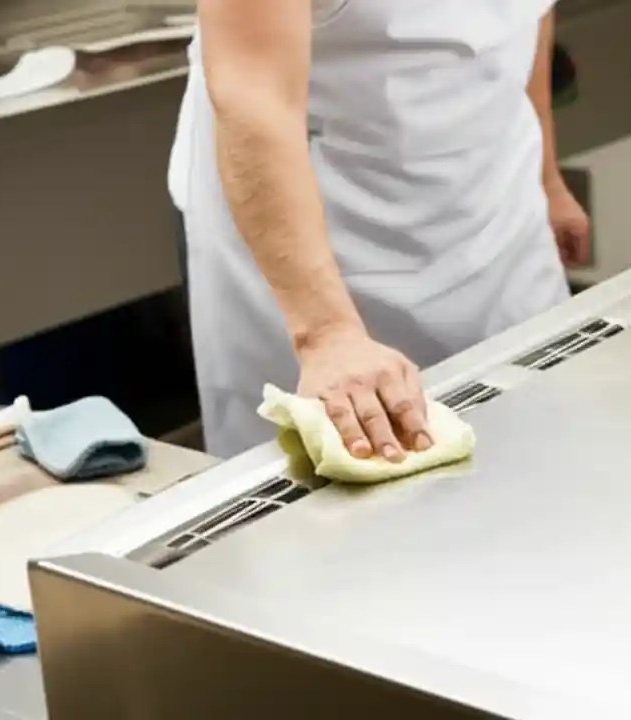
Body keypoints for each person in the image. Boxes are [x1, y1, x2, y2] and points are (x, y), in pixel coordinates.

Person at [168, 0, 590, 459]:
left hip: (499, 208)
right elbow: (254, 98)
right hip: (322, 242)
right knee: (333, 476)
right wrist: (326, 333)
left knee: (541, 448)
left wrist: (547, 179)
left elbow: (524, 16)